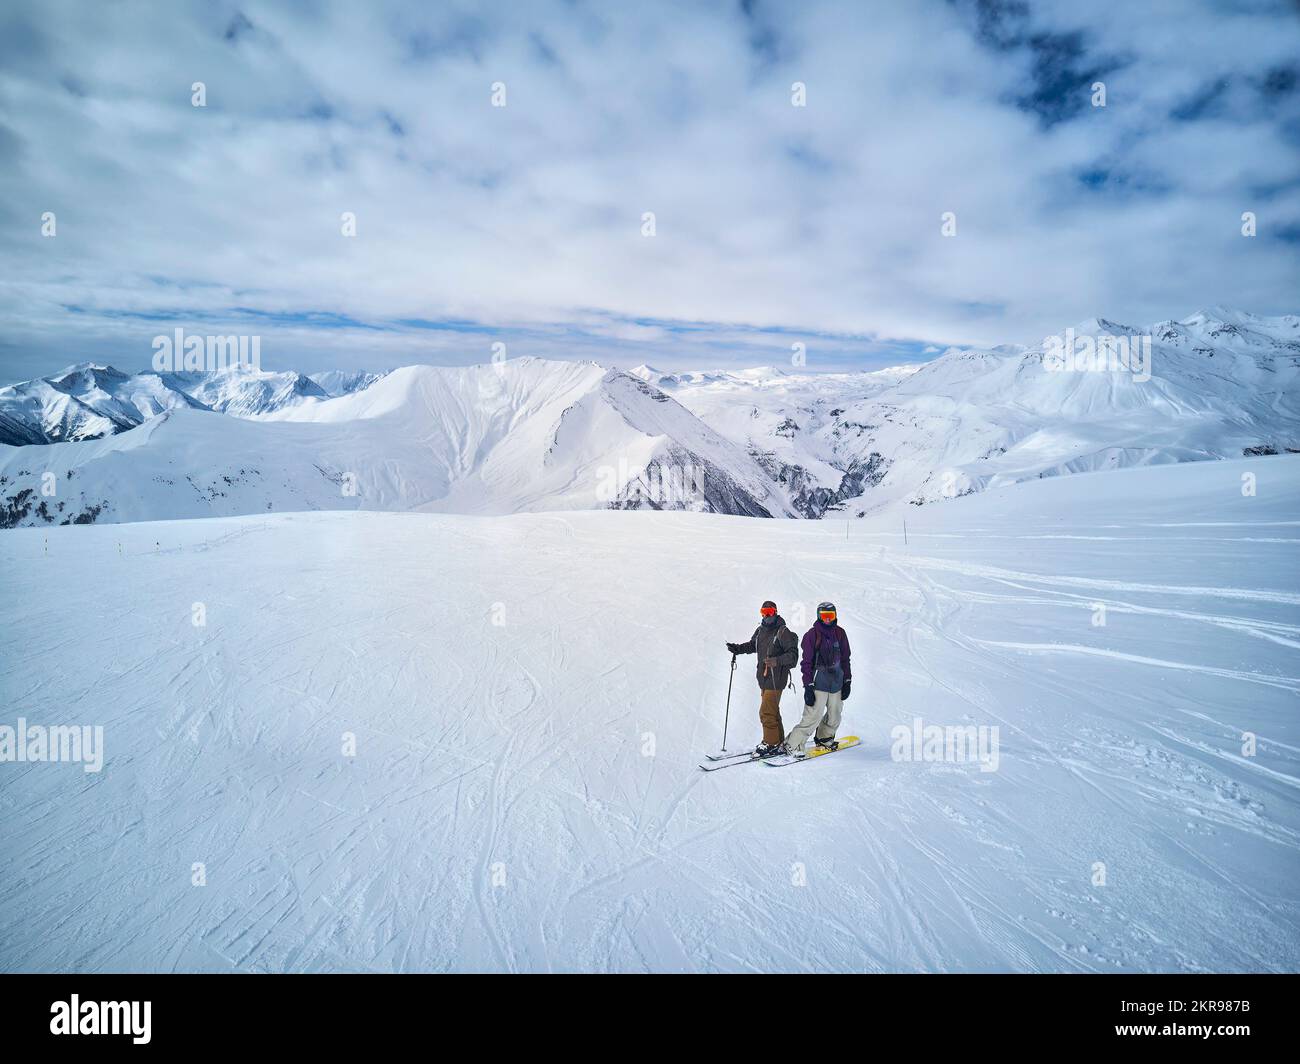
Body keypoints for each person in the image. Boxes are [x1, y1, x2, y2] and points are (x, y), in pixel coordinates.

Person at [726, 600, 799, 756]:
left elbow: (793, 656)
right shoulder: (760, 630)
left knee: (766, 712)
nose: (767, 615)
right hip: (764, 678)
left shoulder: (783, 631)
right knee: (772, 711)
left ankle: (771, 743)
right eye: (763, 612)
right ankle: (778, 741)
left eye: (770, 612)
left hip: (776, 678)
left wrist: (777, 661)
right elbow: (753, 645)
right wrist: (737, 649)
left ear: (776, 612)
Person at [786, 601, 851, 758]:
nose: (828, 619)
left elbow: (845, 659)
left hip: (836, 683)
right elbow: (806, 663)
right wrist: (808, 686)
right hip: (818, 683)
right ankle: (792, 744)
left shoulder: (840, 633)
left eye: (831, 616)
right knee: (812, 717)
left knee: (835, 714)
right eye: (824, 616)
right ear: (818, 616)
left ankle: (825, 738)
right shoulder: (812, 635)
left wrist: (847, 681)